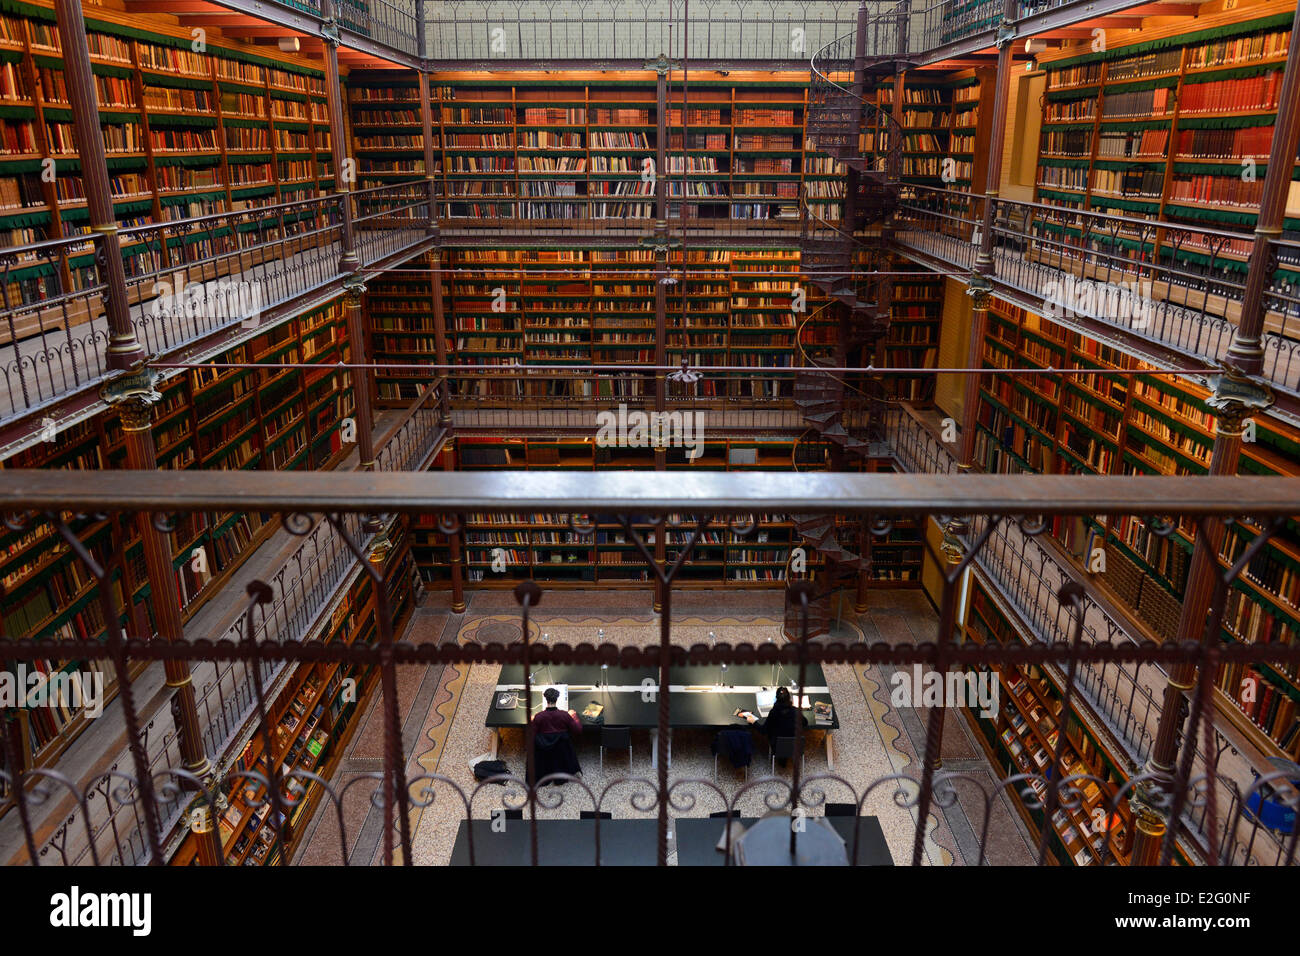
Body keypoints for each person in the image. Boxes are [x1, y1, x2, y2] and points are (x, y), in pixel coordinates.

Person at [738, 687, 807, 763]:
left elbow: (763, 731)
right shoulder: (796, 711)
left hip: (777, 746)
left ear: (776, 698)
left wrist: (753, 722)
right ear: (789, 698)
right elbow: (805, 723)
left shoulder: (774, 712)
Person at [531, 687, 581, 784]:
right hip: (561, 748)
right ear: (557, 699)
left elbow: (532, 734)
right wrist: (574, 717)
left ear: (546, 699)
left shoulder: (539, 716)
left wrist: (533, 720)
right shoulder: (564, 715)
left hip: (544, 749)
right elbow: (578, 730)